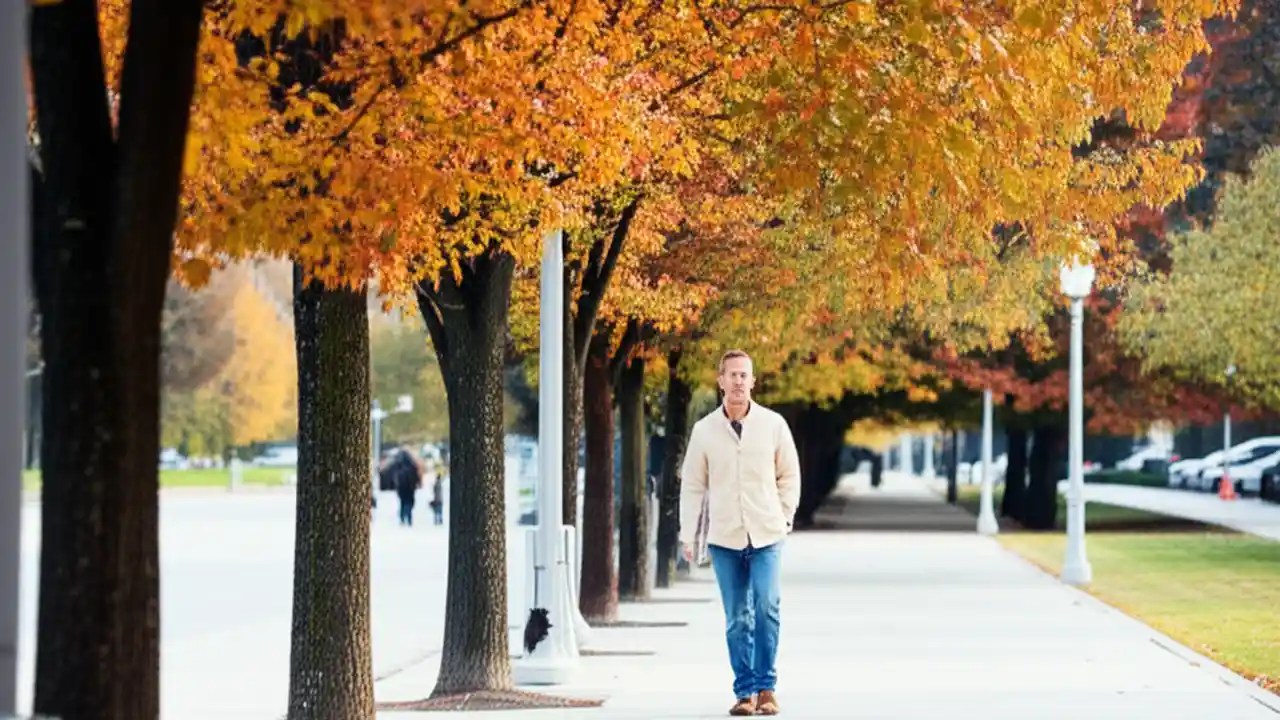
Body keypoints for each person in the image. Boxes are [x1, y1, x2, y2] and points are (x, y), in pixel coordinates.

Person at [679, 349, 801, 717]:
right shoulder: (704, 431)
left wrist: (784, 516)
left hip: (767, 535)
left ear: (752, 382)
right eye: (731, 375)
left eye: (744, 375)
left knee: (766, 607)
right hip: (726, 538)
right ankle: (744, 693)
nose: (737, 381)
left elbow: (789, 474)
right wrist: (688, 535)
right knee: (737, 617)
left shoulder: (774, 425)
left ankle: (767, 688)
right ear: (720, 381)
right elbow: (692, 485)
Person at [385, 445, 423, 526]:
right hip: (410, 487)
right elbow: (416, 475)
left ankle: (402, 518)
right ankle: (408, 518)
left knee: (402, 502)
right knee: (409, 502)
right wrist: (418, 483)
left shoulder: (398, 464)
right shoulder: (412, 465)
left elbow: (389, 473)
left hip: (401, 487)